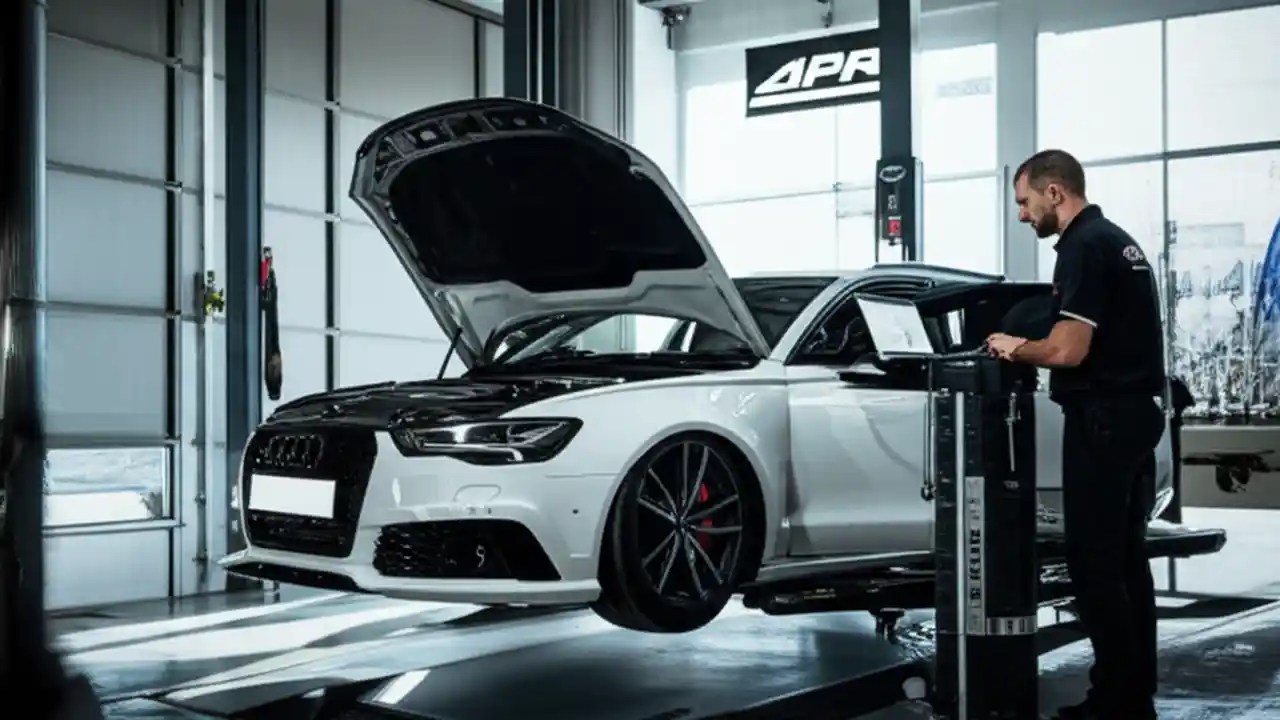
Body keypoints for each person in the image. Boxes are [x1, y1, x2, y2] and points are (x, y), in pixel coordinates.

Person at [985, 149, 1167, 720]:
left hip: (1104, 420)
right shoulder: (1120, 241)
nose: (1021, 214)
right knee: (1127, 560)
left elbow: (1067, 349)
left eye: (1024, 201)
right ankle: (1135, 689)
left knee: (1093, 564)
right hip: (1139, 414)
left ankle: (1115, 697)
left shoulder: (1084, 248)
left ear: (1054, 192)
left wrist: (1015, 347)